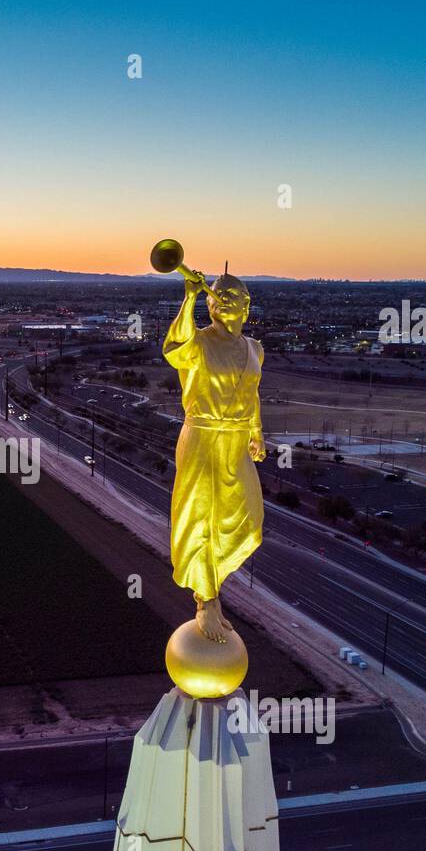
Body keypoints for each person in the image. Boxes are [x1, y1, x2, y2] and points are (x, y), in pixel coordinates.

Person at [162, 265, 265, 643]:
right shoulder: (201, 342)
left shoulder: (255, 348)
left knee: (248, 522)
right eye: (216, 295)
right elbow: (174, 350)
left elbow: (252, 392)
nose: (223, 300)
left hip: (237, 441)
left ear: (246, 304)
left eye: (231, 295)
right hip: (203, 436)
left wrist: (257, 432)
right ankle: (207, 599)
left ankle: (214, 585)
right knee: (201, 516)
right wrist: (188, 298)